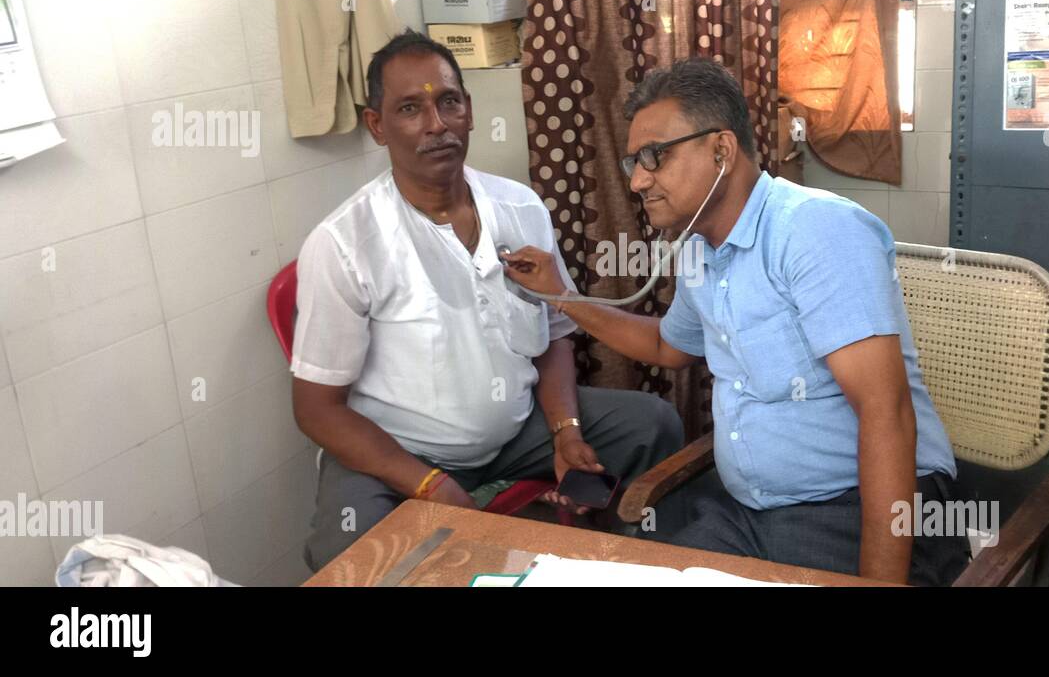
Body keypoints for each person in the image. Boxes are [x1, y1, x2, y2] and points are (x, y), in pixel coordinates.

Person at [502, 57, 968, 585]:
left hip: (851, 511)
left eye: (653, 157)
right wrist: (561, 297)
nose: (637, 182)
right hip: (751, 513)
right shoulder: (700, 249)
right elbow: (665, 347)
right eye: (633, 162)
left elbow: (887, 412)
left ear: (721, 150)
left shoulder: (813, 230)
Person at [291, 30, 684, 571]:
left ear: (469, 112)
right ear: (377, 126)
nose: (436, 124)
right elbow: (316, 410)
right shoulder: (344, 244)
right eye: (410, 108)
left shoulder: (518, 207)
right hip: (399, 453)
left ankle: (609, 567)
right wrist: (428, 484)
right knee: (346, 554)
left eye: (448, 101)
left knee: (653, 426)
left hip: (515, 426)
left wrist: (565, 431)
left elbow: (554, 338)